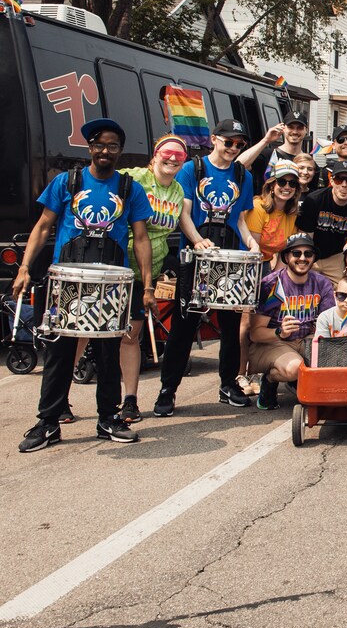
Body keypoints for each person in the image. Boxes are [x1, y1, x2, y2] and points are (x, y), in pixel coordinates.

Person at [14, 118, 155, 452]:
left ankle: (109, 418)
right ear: (90, 148)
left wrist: (147, 285)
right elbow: (43, 226)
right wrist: (24, 268)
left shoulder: (128, 188)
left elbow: (141, 237)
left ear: (120, 150)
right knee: (60, 352)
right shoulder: (68, 181)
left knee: (108, 353)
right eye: (100, 145)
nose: (106, 151)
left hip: (110, 282)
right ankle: (48, 422)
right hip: (69, 280)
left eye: (113, 146)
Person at [155, 118, 260, 416]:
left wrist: (250, 242)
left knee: (229, 325)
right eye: (228, 142)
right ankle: (168, 389)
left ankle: (228, 385)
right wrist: (197, 240)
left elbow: (239, 219)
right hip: (196, 258)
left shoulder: (242, 175)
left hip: (229, 257)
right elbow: (183, 212)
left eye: (239, 144)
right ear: (215, 139)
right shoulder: (193, 169)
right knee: (184, 324)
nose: (233, 148)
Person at [115, 135, 188, 424]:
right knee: (87, 335)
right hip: (118, 263)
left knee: (131, 335)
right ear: (155, 155)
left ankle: (129, 400)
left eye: (179, 156)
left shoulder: (178, 190)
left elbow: (183, 223)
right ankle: (64, 398)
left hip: (148, 270)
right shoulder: (134, 177)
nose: (172, 159)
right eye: (167, 153)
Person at [247, 233, 335, 410]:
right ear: (286, 257)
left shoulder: (322, 283)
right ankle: (270, 380)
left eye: (308, 254)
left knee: (332, 359)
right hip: (273, 343)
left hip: (306, 339)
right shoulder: (271, 285)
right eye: (296, 253)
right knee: (295, 368)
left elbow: (330, 324)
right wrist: (280, 332)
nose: (302, 258)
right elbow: (255, 334)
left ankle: (300, 381)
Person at [297, 158, 347, 284]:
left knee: (343, 292)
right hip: (312, 252)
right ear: (331, 180)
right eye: (339, 179)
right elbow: (304, 237)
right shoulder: (314, 200)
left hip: (337, 256)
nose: (344, 184)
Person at [245, 161, 302, 267]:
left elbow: (285, 251)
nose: (287, 187)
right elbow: (252, 249)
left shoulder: (293, 212)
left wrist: (275, 276)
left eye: (292, 183)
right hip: (248, 261)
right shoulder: (258, 207)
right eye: (281, 182)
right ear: (272, 185)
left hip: (266, 262)